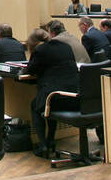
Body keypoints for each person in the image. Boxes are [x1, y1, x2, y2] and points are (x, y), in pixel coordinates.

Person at [22, 27, 79, 159]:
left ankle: (43, 145)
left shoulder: (39, 50)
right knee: (47, 103)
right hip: (75, 95)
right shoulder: (66, 46)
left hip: (55, 97)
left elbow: (30, 70)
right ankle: (51, 140)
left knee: (36, 106)